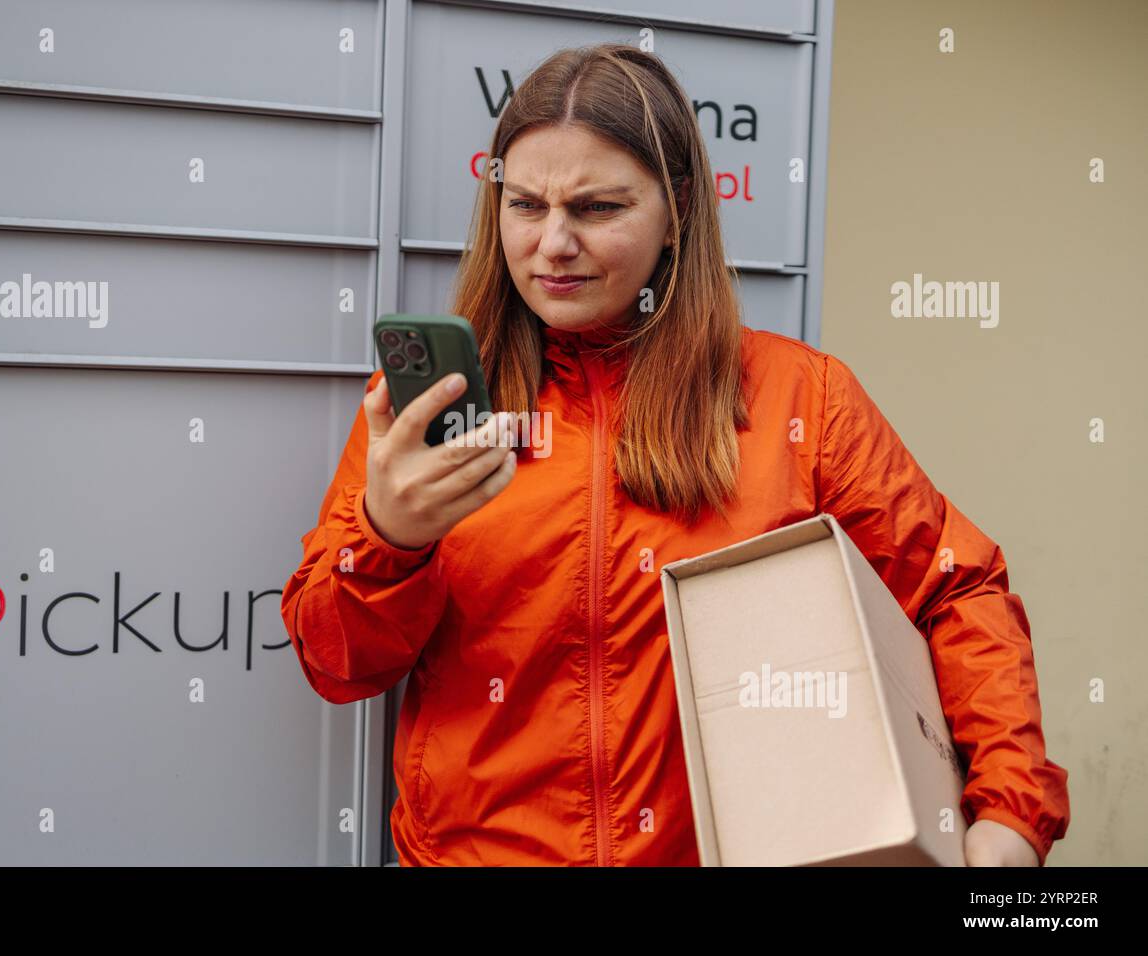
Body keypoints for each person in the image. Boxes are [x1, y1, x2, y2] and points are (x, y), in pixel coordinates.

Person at [280, 43, 1070, 867]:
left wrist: (1009, 813)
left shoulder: (802, 398)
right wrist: (389, 538)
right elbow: (338, 665)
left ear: (678, 211)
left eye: (596, 209)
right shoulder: (438, 406)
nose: (553, 243)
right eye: (525, 205)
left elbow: (957, 588)